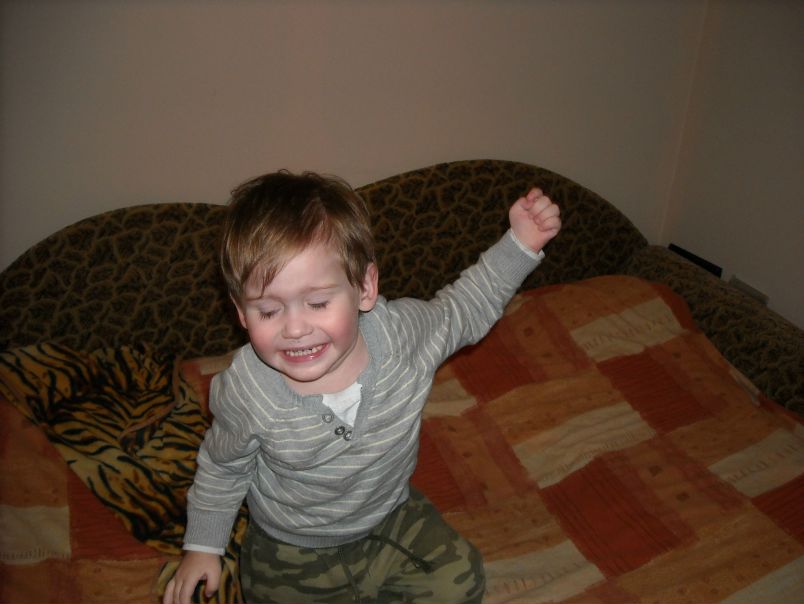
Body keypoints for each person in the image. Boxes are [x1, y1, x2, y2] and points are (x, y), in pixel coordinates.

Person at [162, 170, 561, 604]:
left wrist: (521, 244)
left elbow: (464, 307)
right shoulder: (248, 392)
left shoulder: (402, 339)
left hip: (389, 517)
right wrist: (202, 546)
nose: (294, 329)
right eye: (268, 311)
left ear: (365, 288)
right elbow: (223, 467)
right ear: (241, 313)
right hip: (291, 547)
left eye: (318, 303)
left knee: (460, 580)